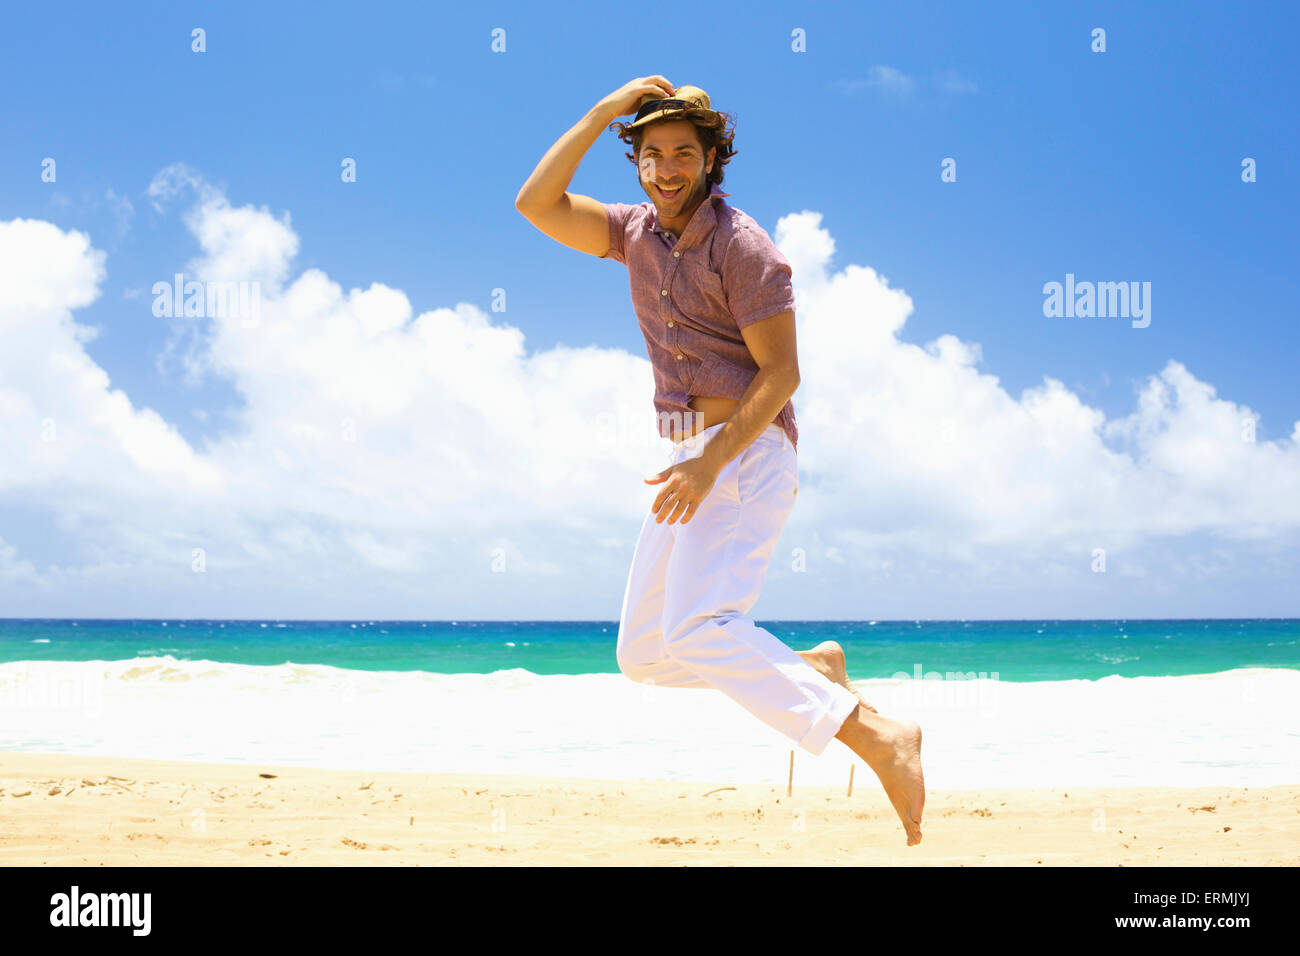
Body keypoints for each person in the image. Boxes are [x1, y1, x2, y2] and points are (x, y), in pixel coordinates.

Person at [515, 76, 924, 845]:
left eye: (683, 154)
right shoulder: (634, 233)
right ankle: (808, 667)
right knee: (644, 653)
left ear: (710, 160)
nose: (666, 168)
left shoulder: (743, 246)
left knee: (700, 626)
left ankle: (875, 735)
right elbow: (534, 204)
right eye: (651, 153)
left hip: (746, 450)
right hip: (688, 457)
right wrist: (606, 111)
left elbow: (782, 376)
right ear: (636, 161)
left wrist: (710, 465)